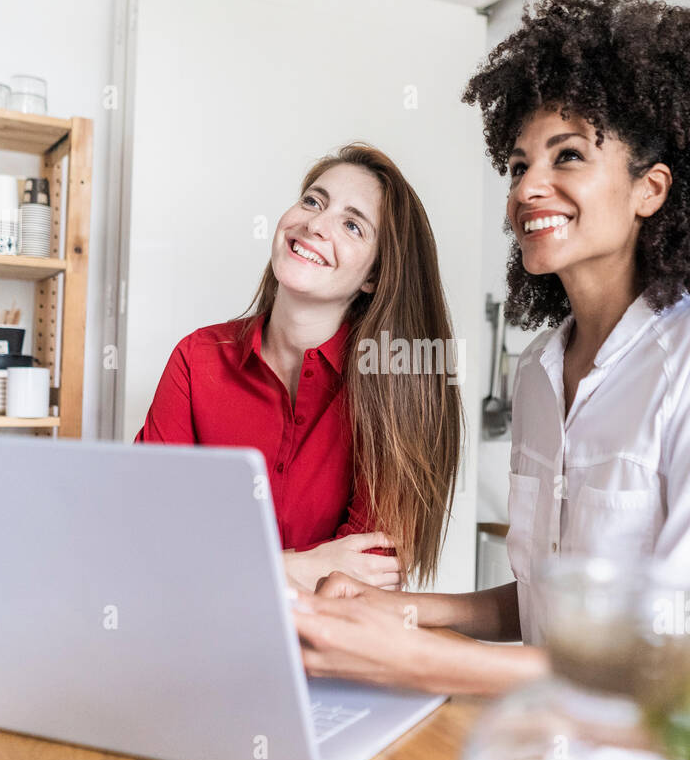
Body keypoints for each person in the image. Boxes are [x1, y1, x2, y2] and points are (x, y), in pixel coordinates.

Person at [294, 0, 690, 725]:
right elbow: (549, 606)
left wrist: (427, 659)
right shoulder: (540, 371)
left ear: (651, 189)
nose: (528, 187)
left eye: (567, 156)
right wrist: (401, 610)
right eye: (516, 166)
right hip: (582, 738)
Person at [135, 143, 463, 593]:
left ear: (374, 276)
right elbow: (147, 539)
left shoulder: (395, 386)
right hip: (190, 643)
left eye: (352, 224)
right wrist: (301, 566)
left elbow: (359, 583)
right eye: (313, 200)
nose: (314, 224)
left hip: (331, 656)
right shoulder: (197, 359)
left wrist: (219, 566)